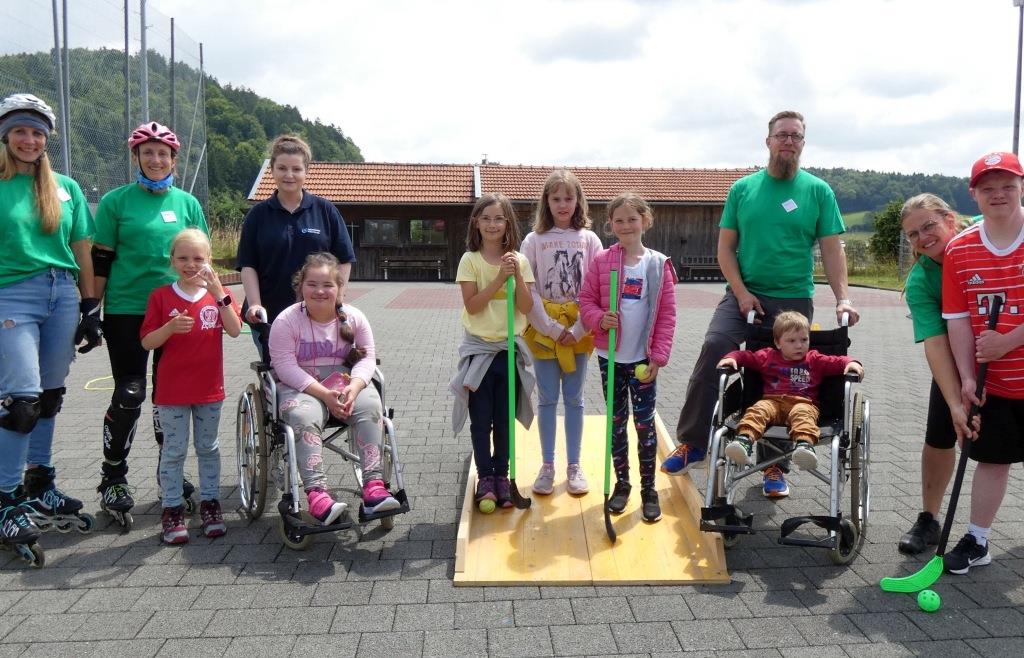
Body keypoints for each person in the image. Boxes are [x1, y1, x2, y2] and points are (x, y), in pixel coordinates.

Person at [664, 110, 860, 499]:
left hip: (792, 300)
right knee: (716, 347)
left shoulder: (817, 191)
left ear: (803, 144)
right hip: (744, 293)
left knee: (787, 375)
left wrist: (843, 298)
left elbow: (832, 250)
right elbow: (725, 248)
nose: (789, 142)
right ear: (768, 140)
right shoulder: (743, 189)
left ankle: (774, 466)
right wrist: (739, 292)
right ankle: (694, 441)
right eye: (782, 135)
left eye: (797, 137)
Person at [91, 121, 208, 525]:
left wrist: (215, 305)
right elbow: (101, 259)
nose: (155, 160)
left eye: (163, 154)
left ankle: (169, 474)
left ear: (173, 159)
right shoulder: (115, 202)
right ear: (136, 157)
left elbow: (200, 260)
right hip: (127, 308)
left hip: (176, 310)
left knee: (170, 396)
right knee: (130, 391)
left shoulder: (187, 204)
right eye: (148, 153)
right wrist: (90, 306)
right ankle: (113, 478)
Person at [0, 92, 99, 549]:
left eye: (37, 132)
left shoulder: (66, 186)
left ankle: (39, 483)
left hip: (62, 293)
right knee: (22, 399)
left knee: (50, 395)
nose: (29, 139)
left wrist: (89, 304)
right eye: (20, 130)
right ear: (5, 136)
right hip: (12, 294)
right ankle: (5, 499)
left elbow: (81, 247)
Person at [270, 252, 400, 524]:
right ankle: (317, 495)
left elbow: (366, 358)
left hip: (345, 383)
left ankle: (374, 487)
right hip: (301, 386)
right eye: (312, 284)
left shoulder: (354, 317)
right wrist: (324, 395)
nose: (320, 291)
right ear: (300, 287)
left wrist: (354, 388)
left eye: (328, 285)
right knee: (303, 417)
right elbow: (284, 366)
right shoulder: (286, 321)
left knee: (371, 405)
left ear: (340, 289)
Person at [941, 151, 1024, 574]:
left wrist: (1008, 340)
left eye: (1008, 185)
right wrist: (968, 377)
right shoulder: (960, 250)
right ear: (974, 195)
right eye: (988, 188)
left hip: (1010, 360)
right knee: (992, 459)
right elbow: (957, 322)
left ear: (1021, 187)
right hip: (999, 384)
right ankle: (978, 538)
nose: (999, 195)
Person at [579, 192, 676, 522]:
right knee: (616, 425)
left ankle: (649, 488)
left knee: (645, 425)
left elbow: (667, 315)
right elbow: (586, 301)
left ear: (645, 221)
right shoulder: (602, 261)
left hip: (643, 362)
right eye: (618, 220)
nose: (625, 225)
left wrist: (658, 359)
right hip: (610, 358)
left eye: (632, 219)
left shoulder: (658, 265)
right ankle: (623, 484)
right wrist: (597, 319)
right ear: (610, 225)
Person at [140, 229, 242, 543]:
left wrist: (219, 293)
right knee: (173, 451)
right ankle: (172, 509)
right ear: (172, 260)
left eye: (198, 258)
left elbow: (235, 330)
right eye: (183, 258)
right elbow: (147, 342)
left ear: (209, 260)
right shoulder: (161, 295)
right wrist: (169, 327)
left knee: (208, 447)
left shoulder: (218, 294)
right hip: (172, 392)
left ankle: (210, 503)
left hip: (209, 389)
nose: (190, 264)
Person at [897, 194, 974, 554]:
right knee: (940, 432)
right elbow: (937, 343)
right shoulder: (922, 281)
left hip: (1011, 353)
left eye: (929, 225)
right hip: (958, 359)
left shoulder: (985, 240)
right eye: (913, 234)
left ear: (951, 219)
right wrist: (956, 402)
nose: (923, 237)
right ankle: (929, 519)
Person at [450, 193, 536, 511]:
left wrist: (517, 278)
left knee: (504, 420)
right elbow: (472, 307)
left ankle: (503, 476)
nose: (492, 224)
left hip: (508, 352)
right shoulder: (470, 260)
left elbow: (526, 307)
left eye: (499, 218)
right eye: (485, 218)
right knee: (481, 419)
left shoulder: (519, 261)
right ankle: (485, 477)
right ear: (476, 222)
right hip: (479, 352)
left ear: (508, 223)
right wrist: (500, 277)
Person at [237, 135, 356, 364]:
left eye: (296, 169)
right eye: (281, 168)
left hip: (320, 313)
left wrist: (337, 300)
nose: (289, 175)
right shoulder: (258, 215)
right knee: (279, 376)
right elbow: (248, 264)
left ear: (306, 171)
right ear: (272, 169)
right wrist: (254, 303)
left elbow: (344, 259)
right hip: (270, 315)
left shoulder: (325, 210)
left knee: (321, 371)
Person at [521, 170, 602, 496]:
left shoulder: (590, 239)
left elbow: (595, 286)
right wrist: (553, 328)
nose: (563, 204)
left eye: (569, 198)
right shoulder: (533, 240)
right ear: (547, 202)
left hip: (579, 329)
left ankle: (574, 465)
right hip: (544, 331)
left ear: (578, 200)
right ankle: (548, 465)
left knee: (575, 399)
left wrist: (579, 326)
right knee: (547, 399)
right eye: (556, 198)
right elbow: (528, 291)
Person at [718, 311, 863, 472]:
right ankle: (744, 441)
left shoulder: (814, 359)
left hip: (803, 403)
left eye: (804, 340)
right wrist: (732, 358)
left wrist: (852, 363)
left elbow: (838, 361)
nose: (799, 345)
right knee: (757, 410)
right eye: (792, 341)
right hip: (772, 402)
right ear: (778, 343)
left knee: (803, 416)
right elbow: (745, 356)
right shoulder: (767, 356)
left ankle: (804, 446)